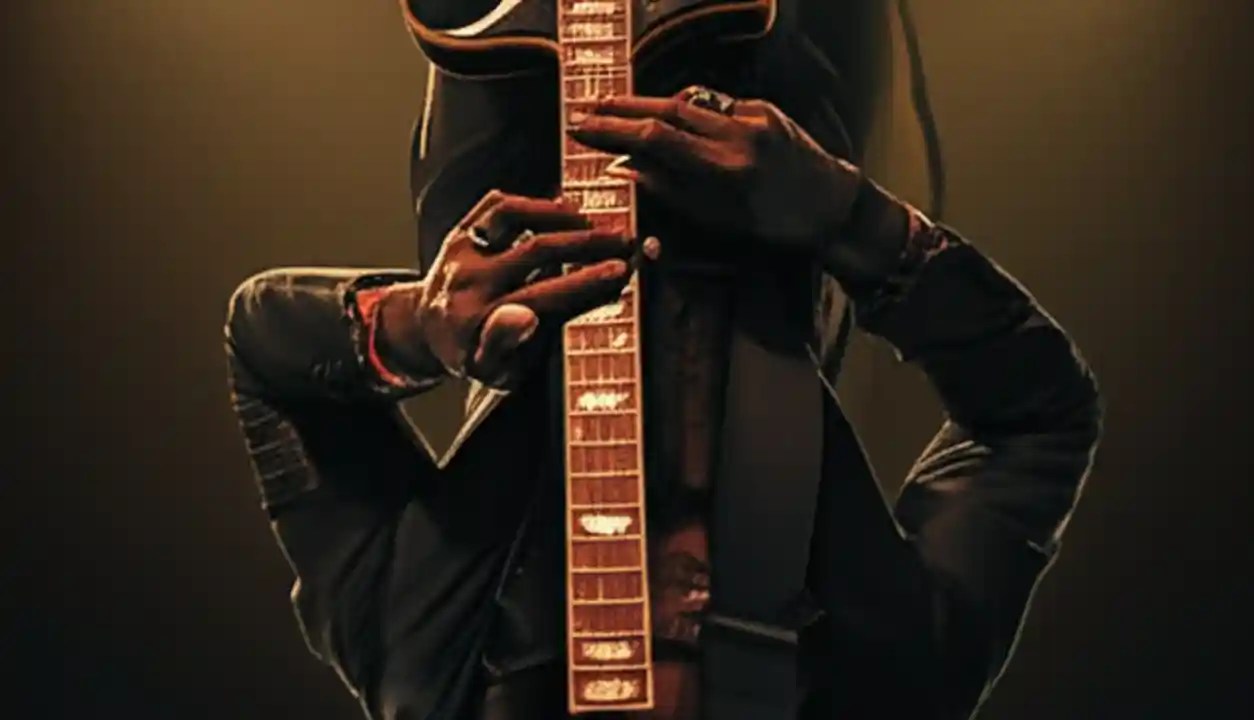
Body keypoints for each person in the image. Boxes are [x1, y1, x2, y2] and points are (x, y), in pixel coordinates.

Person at [223, 3, 1101, 718]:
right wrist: (846, 216)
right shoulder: (888, 688)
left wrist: (418, 327)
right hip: (785, 96)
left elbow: (266, 353)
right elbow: (1039, 416)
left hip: (516, 91)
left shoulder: (426, 669)